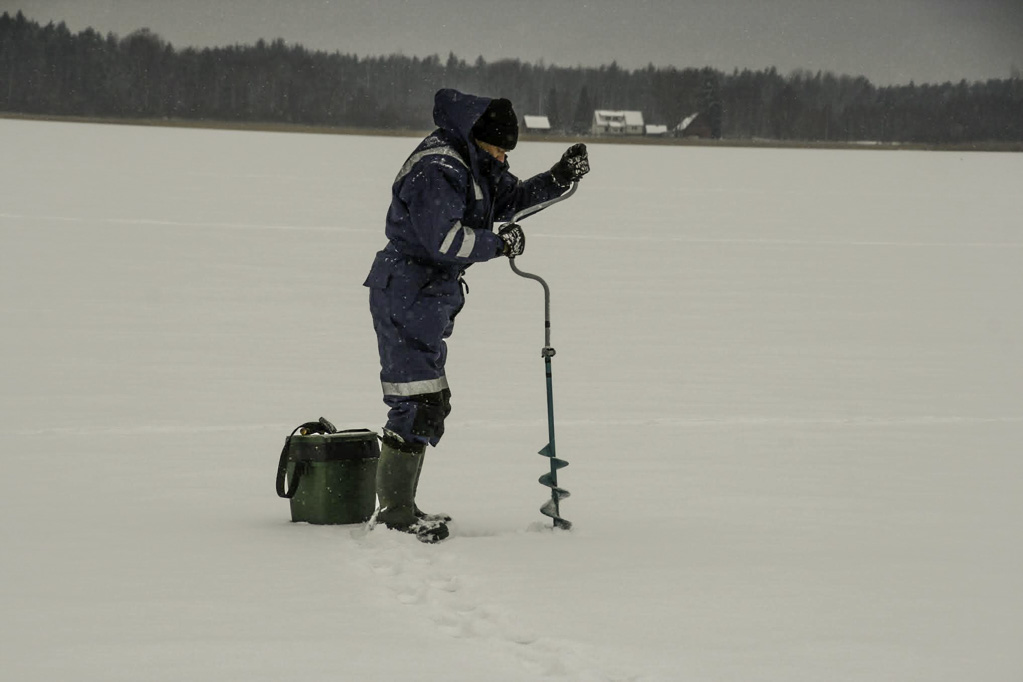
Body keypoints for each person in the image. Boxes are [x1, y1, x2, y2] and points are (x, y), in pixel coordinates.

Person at [363, 88, 590, 542]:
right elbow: (444, 240)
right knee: (417, 402)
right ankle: (394, 516)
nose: (504, 158)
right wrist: (497, 244)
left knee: (428, 403)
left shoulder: (476, 164)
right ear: (477, 136)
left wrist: (561, 177)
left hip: (428, 296)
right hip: (406, 291)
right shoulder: (438, 169)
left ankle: (401, 505)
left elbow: (512, 201)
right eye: (499, 148)